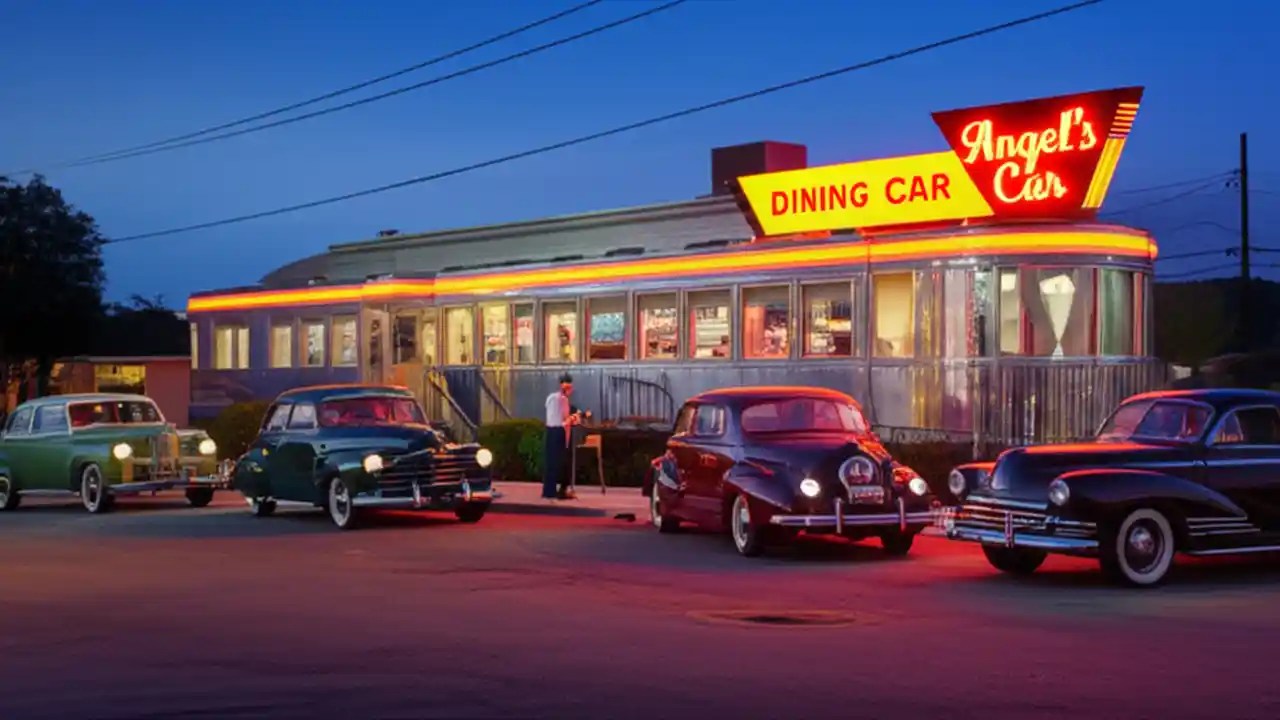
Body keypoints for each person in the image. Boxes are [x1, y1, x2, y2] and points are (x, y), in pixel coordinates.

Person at [542, 374, 579, 501]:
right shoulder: (563, 400)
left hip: (549, 430)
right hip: (559, 431)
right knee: (562, 461)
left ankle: (548, 490)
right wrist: (575, 418)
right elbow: (565, 418)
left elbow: (550, 413)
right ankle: (561, 490)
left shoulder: (550, 397)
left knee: (550, 461)